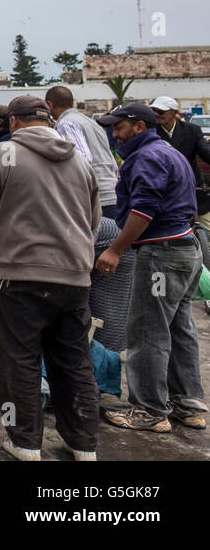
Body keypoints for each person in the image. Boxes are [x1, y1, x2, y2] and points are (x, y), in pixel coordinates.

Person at [0, 95, 101, 461]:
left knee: (21, 360)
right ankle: (83, 444)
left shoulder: (3, 155)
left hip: (22, 275)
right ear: (49, 120)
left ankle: (25, 442)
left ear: (13, 122)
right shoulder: (79, 160)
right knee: (74, 361)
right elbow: (92, 220)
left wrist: (0, 226)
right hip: (75, 276)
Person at [95, 103, 206, 432]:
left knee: (147, 331)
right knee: (179, 328)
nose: (114, 133)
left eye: (119, 127)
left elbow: (144, 209)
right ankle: (187, 405)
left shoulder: (146, 157)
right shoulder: (167, 150)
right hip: (185, 248)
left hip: (162, 253)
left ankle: (149, 410)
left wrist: (116, 249)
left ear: (139, 127)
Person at [44, 87, 119, 220]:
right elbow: (111, 160)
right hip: (112, 192)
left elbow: (82, 159)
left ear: (49, 104)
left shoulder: (66, 123)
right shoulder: (92, 122)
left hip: (95, 199)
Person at [151, 95, 210, 221]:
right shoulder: (151, 132)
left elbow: (205, 152)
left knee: (206, 226)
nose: (157, 114)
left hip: (192, 188)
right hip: (162, 190)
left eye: (161, 111)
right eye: (154, 111)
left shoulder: (191, 130)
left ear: (174, 113)